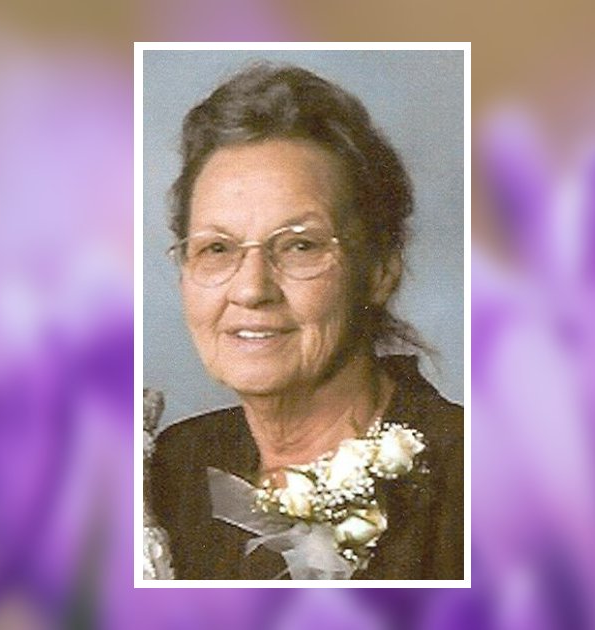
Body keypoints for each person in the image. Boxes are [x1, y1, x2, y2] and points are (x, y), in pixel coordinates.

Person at [148, 63, 463, 580]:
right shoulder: (165, 473)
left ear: (380, 271)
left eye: (300, 246)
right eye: (217, 249)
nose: (251, 289)